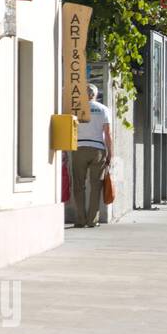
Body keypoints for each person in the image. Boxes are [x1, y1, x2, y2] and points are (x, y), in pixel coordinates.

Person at [70, 83, 113, 228]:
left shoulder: (76, 109)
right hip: (98, 150)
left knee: (79, 185)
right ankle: (92, 220)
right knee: (96, 186)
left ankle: (80, 219)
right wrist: (110, 154)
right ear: (95, 95)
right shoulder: (103, 109)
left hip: (79, 148)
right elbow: (107, 134)